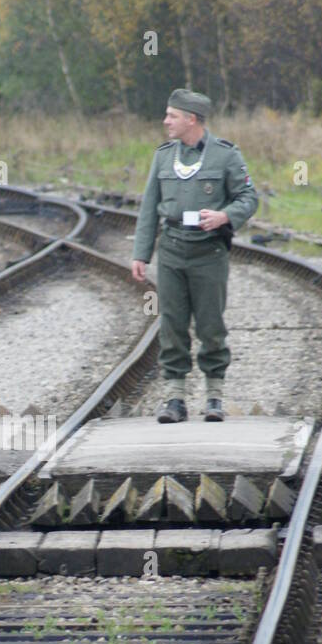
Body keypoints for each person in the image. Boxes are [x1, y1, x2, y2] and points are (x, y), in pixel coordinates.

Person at [131, 89, 258, 422]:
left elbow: (248, 197)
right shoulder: (162, 156)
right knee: (172, 324)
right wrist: (140, 254)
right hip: (171, 249)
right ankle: (175, 398)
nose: (165, 121)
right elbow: (148, 209)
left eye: (172, 116)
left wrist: (225, 216)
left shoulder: (226, 155)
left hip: (209, 252)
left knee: (210, 325)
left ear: (192, 119)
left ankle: (214, 396)